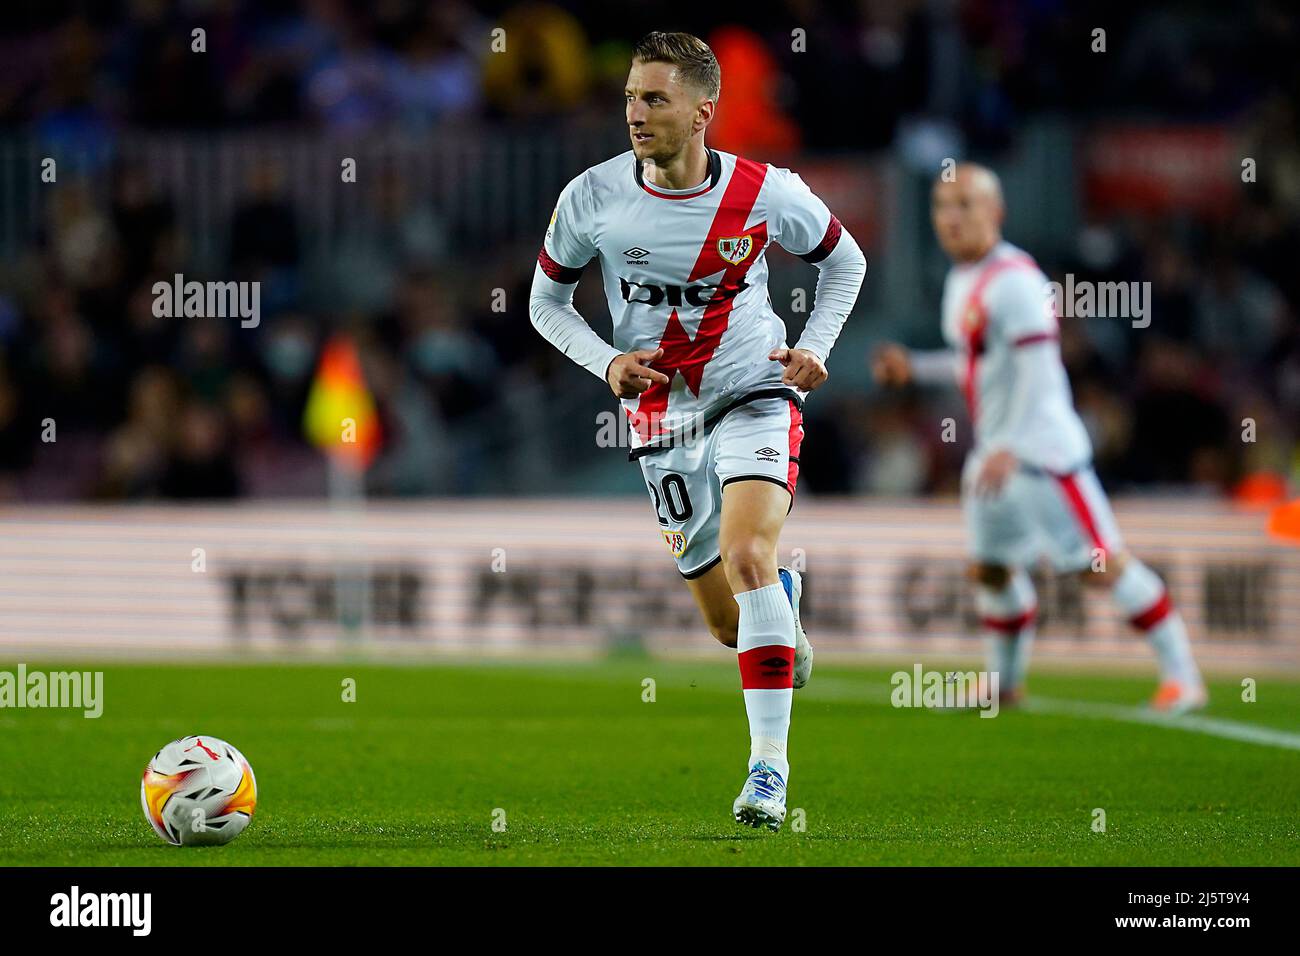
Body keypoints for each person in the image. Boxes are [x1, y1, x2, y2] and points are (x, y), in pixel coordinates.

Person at [529, 32, 866, 829]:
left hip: (754, 390)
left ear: (702, 110)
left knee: (752, 552)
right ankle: (778, 610)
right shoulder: (591, 196)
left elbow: (844, 261)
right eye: (629, 99)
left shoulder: (767, 191)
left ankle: (768, 775)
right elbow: (545, 304)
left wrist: (812, 348)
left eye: (654, 99)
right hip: (661, 416)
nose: (635, 115)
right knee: (726, 621)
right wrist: (606, 362)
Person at [873, 163, 1206, 713]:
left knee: (1099, 565)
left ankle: (1184, 676)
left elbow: (1037, 367)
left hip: (1042, 455)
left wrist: (1014, 445)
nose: (951, 218)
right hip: (995, 457)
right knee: (991, 568)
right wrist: (916, 368)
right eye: (941, 206)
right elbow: (972, 363)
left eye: (965, 205)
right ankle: (1005, 684)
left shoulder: (1016, 281)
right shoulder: (962, 280)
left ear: (996, 213)